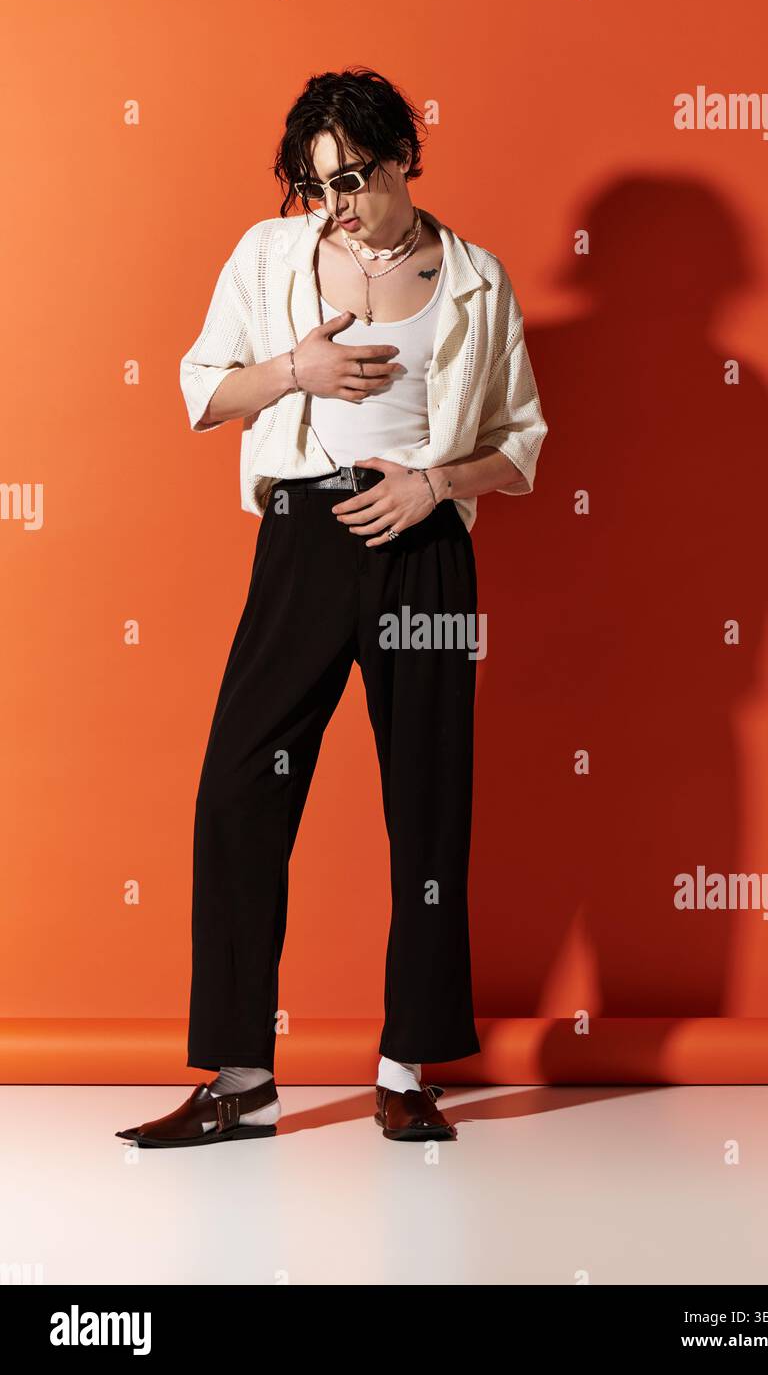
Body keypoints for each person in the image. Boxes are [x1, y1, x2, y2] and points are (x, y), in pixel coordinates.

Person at [116, 66, 547, 1148]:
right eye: (318, 187)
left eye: (353, 179)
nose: (338, 205)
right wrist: (294, 367)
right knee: (237, 790)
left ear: (404, 156)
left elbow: (522, 445)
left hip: (427, 550)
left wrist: (434, 484)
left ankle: (407, 1067)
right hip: (304, 538)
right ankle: (241, 1079)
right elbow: (199, 394)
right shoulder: (271, 256)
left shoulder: (478, 280)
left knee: (428, 800)